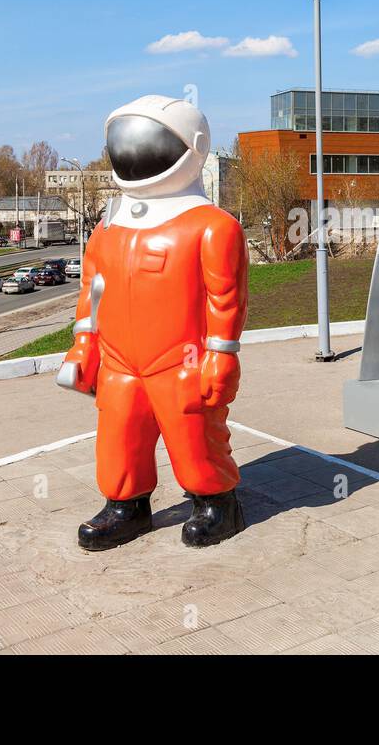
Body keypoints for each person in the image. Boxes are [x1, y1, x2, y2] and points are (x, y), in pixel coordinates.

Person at [57, 95, 249, 551]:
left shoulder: (211, 226)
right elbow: (93, 292)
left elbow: (226, 300)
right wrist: (84, 344)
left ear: (192, 147)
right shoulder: (108, 224)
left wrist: (221, 357)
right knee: (119, 436)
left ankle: (216, 502)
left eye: (147, 144)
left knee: (195, 437)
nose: (134, 154)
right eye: (126, 144)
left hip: (182, 360)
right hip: (119, 361)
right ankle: (125, 505)